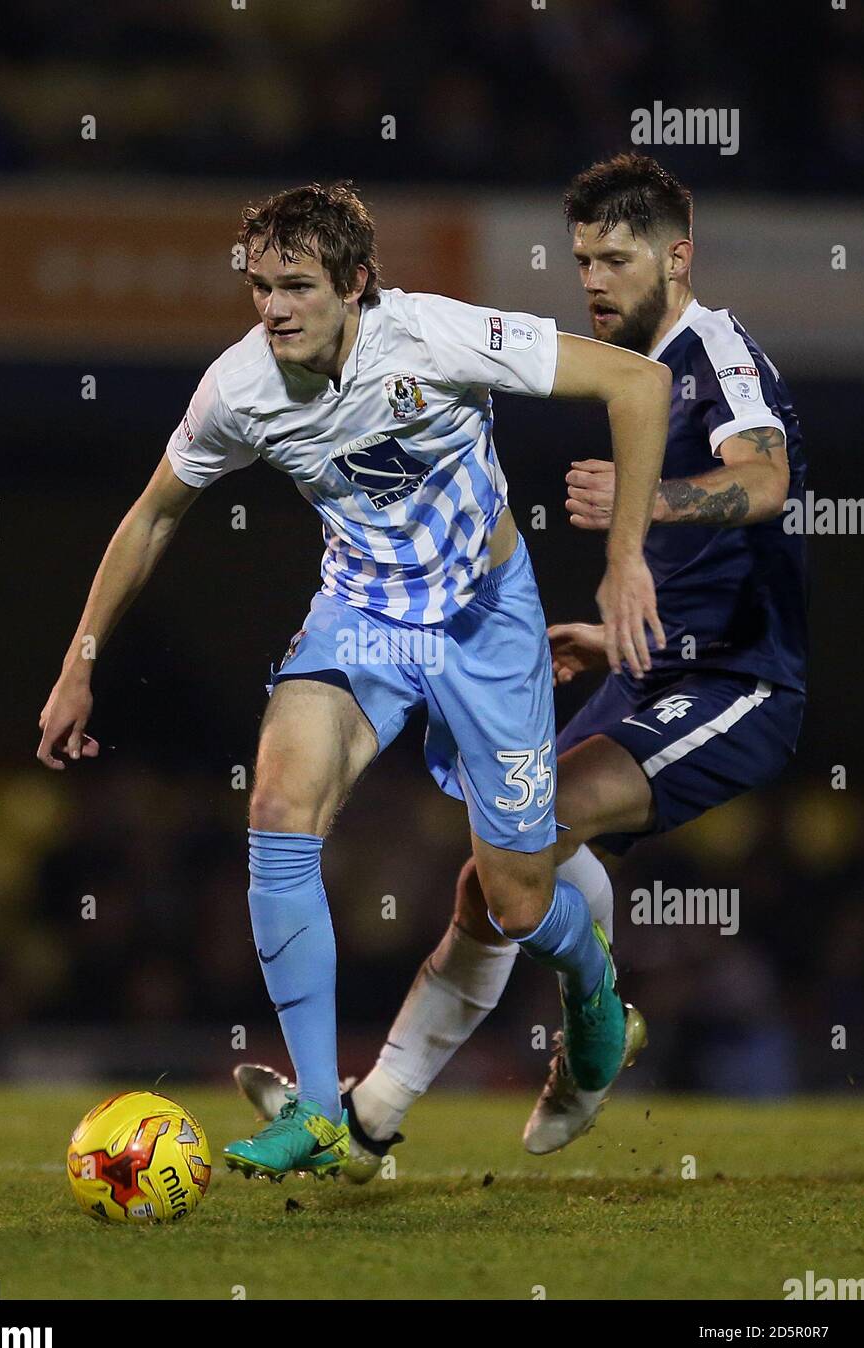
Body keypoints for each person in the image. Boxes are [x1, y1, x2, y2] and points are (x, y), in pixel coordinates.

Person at [37, 180, 671, 1182]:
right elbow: (154, 514)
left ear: (358, 285)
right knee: (281, 801)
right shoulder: (240, 387)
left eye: (296, 285)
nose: (274, 308)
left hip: (482, 620)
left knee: (512, 901)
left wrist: (626, 556)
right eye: (259, 286)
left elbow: (638, 386)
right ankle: (325, 1111)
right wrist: (81, 661)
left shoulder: (435, 336)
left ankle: (594, 996)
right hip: (361, 619)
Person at [237, 156, 808, 1181]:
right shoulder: (637, 359)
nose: (594, 281)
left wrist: (649, 517)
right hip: (650, 669)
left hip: (736, 686)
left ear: (678, 258)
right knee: (499, 879)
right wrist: (610, 629)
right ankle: (378, 1117)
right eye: (583, 258)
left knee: (524, 850)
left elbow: (764, 481)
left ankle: (490, 1076)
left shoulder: (713, 354)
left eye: (617, 260)